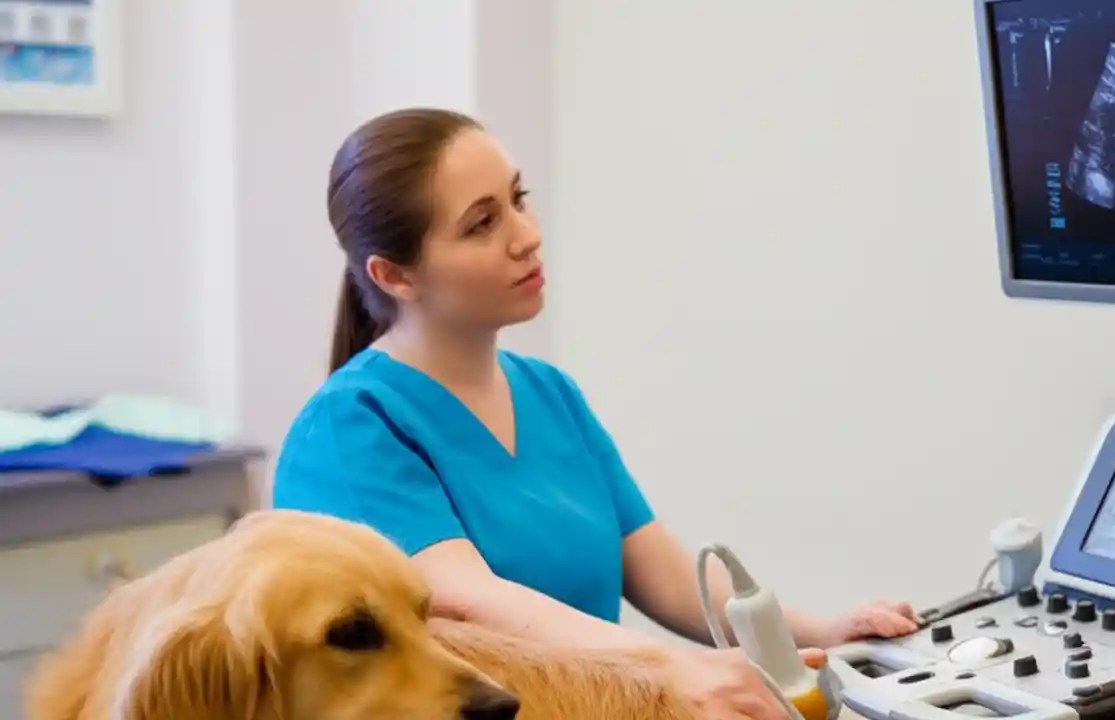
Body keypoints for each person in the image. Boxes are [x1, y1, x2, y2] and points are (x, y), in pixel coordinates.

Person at [272, 107, 918, 720]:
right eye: (481, 224)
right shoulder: (350, 427)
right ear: (394, 276)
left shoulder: (548, 392)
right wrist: (672, 669)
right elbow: (467, 603)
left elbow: (664, 576)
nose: (526, 237)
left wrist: (821, 631)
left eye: (518, 200)